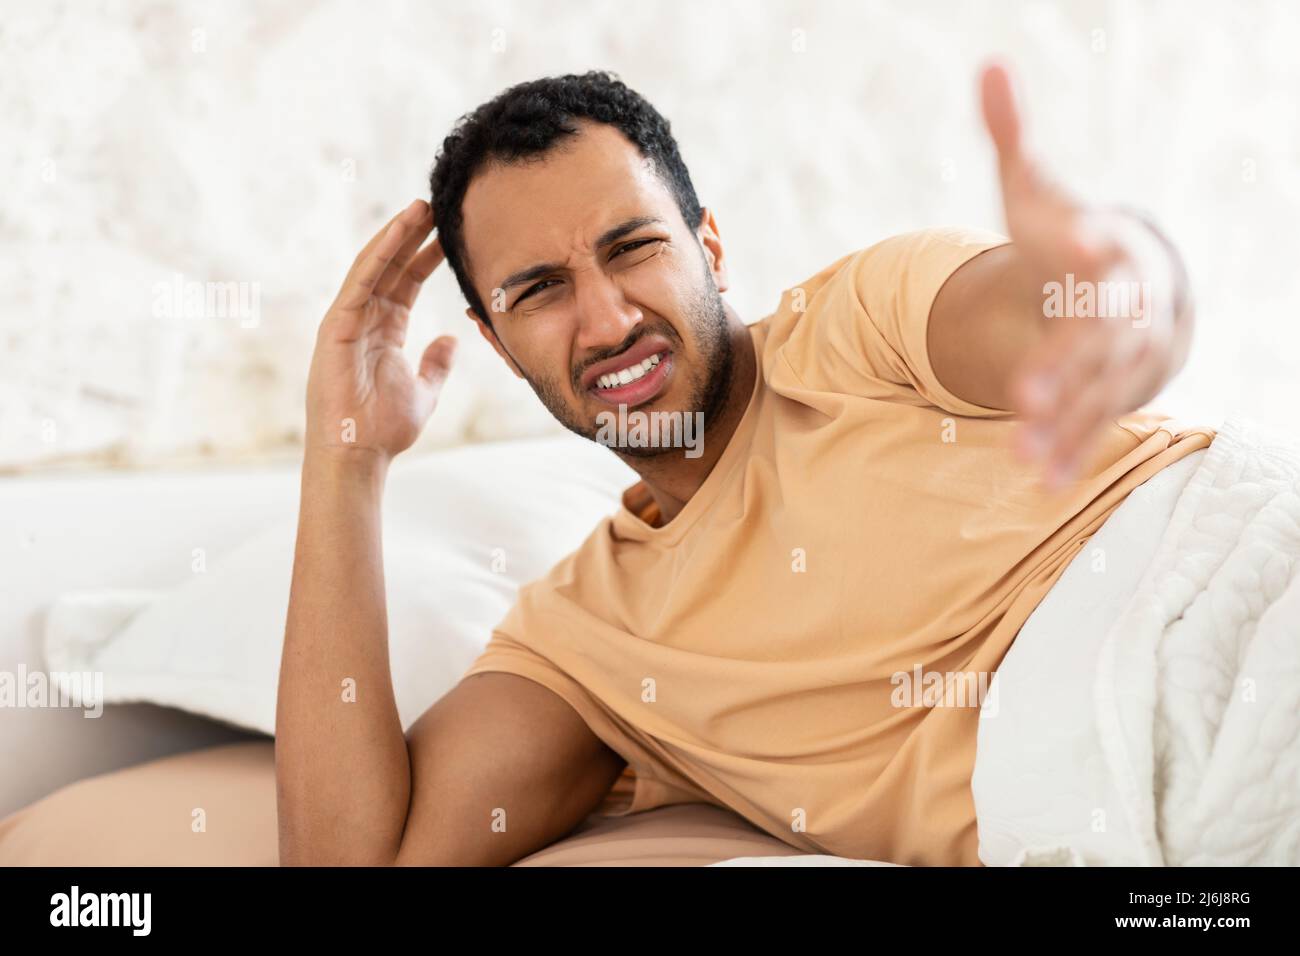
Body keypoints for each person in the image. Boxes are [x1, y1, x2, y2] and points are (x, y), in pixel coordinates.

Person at [275, 66, 1213, 866]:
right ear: (495, 341)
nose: (607, 322)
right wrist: (344, 460)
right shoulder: (593, 647)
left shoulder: (869, 323)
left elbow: (1070, 313)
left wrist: (1127, 282)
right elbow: (354, 860)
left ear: (708, 248)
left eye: (632, 247)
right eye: (540, 291)